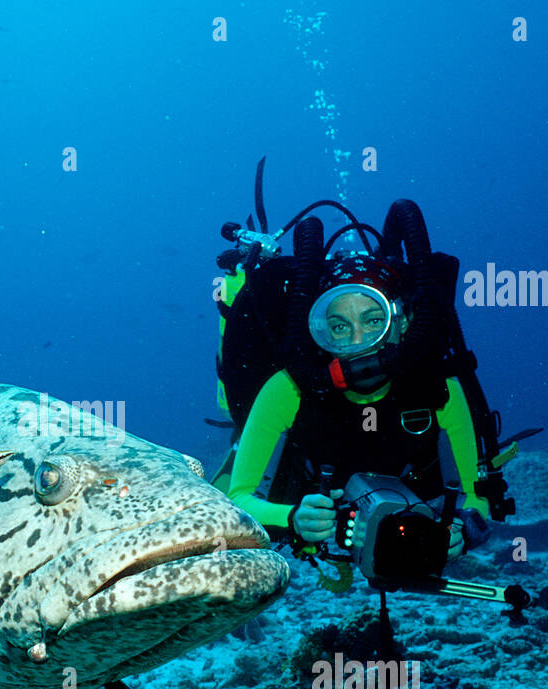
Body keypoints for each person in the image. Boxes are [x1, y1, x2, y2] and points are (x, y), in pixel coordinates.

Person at [210, 194, 512, 564]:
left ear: (401, 322)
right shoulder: (289, 389)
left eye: (373, 320)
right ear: (318, 331)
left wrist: (463, 528)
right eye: (339, 327)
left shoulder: (438, 390)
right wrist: (292, 517)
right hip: (305, 498)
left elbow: (477, 496)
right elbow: (238, 498)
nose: (359, 343)